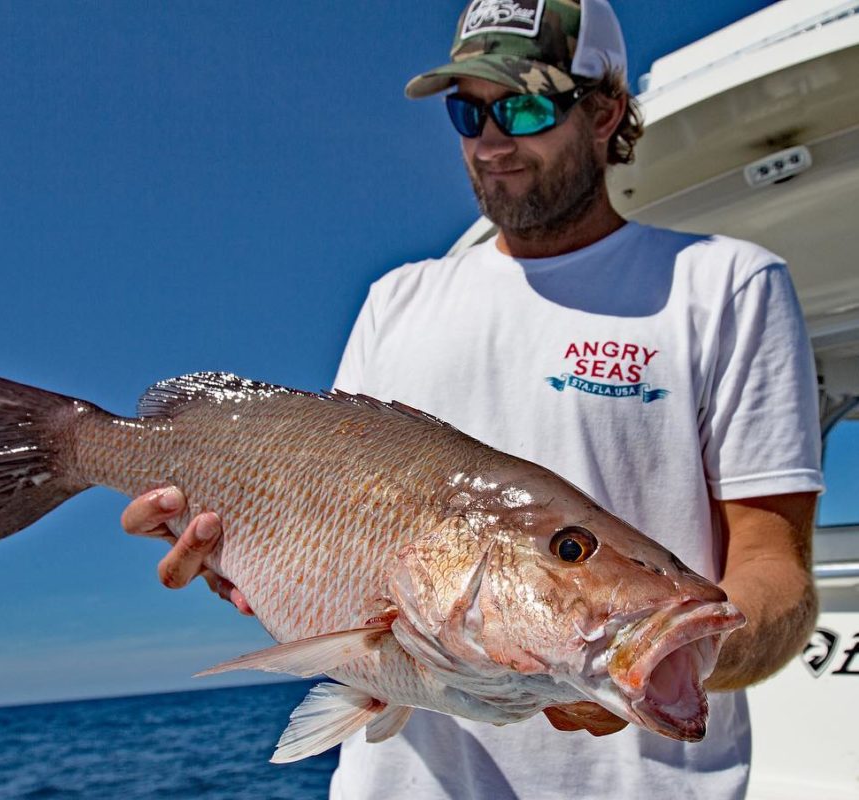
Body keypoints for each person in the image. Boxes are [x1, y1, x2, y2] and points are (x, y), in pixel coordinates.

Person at [122, 1, 824, 797]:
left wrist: (673, 656)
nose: (492, 141)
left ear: (606, 112)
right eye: (468, 112)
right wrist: (256, 560)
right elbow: (335, 540)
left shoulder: (724, 286)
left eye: (525, 105)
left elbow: (778, 575)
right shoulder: (395, 299)